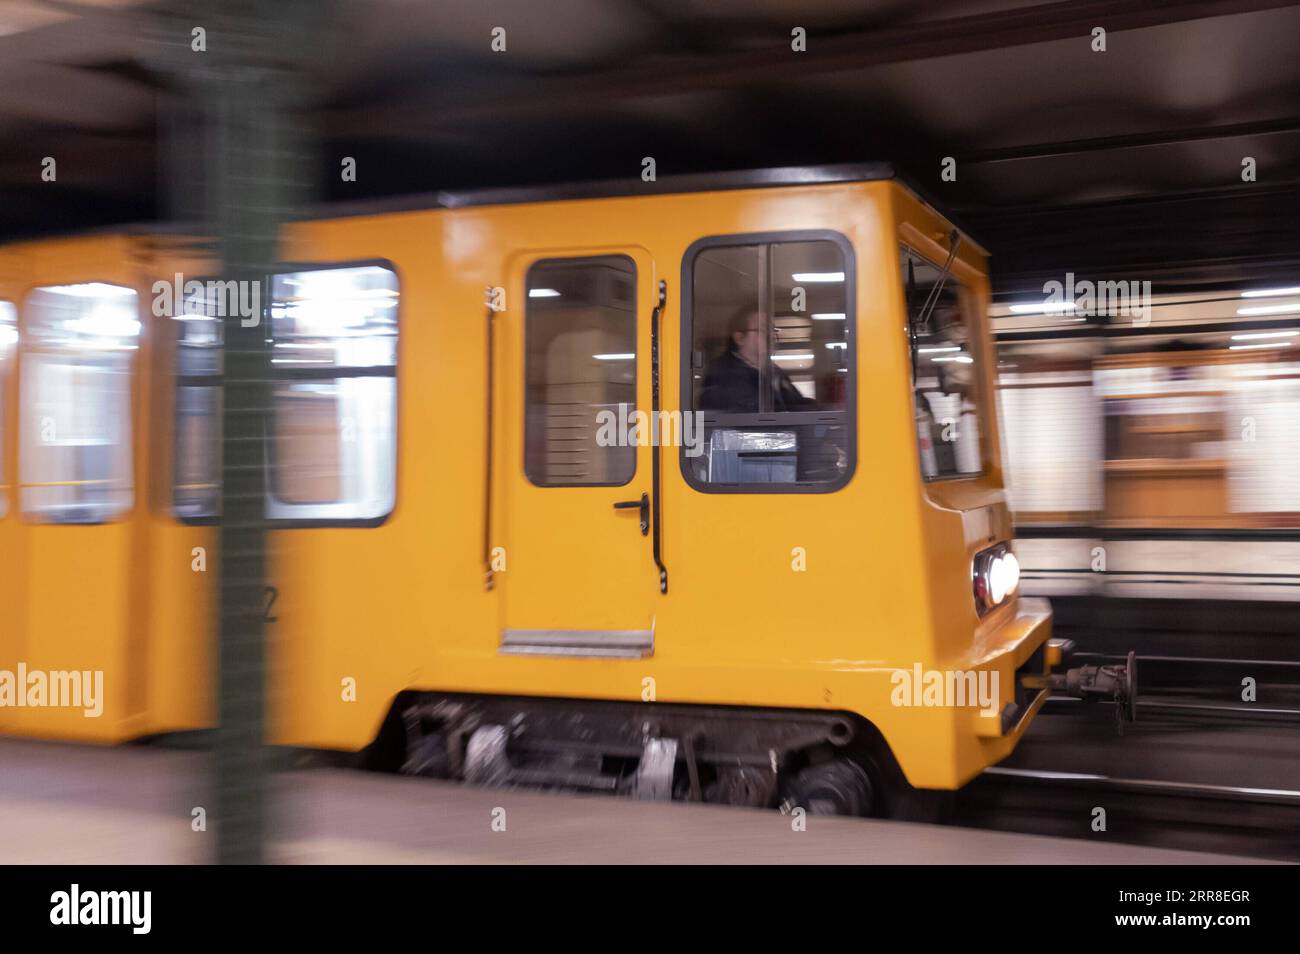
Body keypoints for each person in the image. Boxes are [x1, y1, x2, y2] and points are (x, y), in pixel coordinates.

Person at [699, 307, 817, 413]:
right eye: (763, 330)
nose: (771, 337)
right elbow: (750, 415)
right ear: (739, 338)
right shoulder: (723, 374)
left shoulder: (775, 372)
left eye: (773, 331)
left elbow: (796, 404)